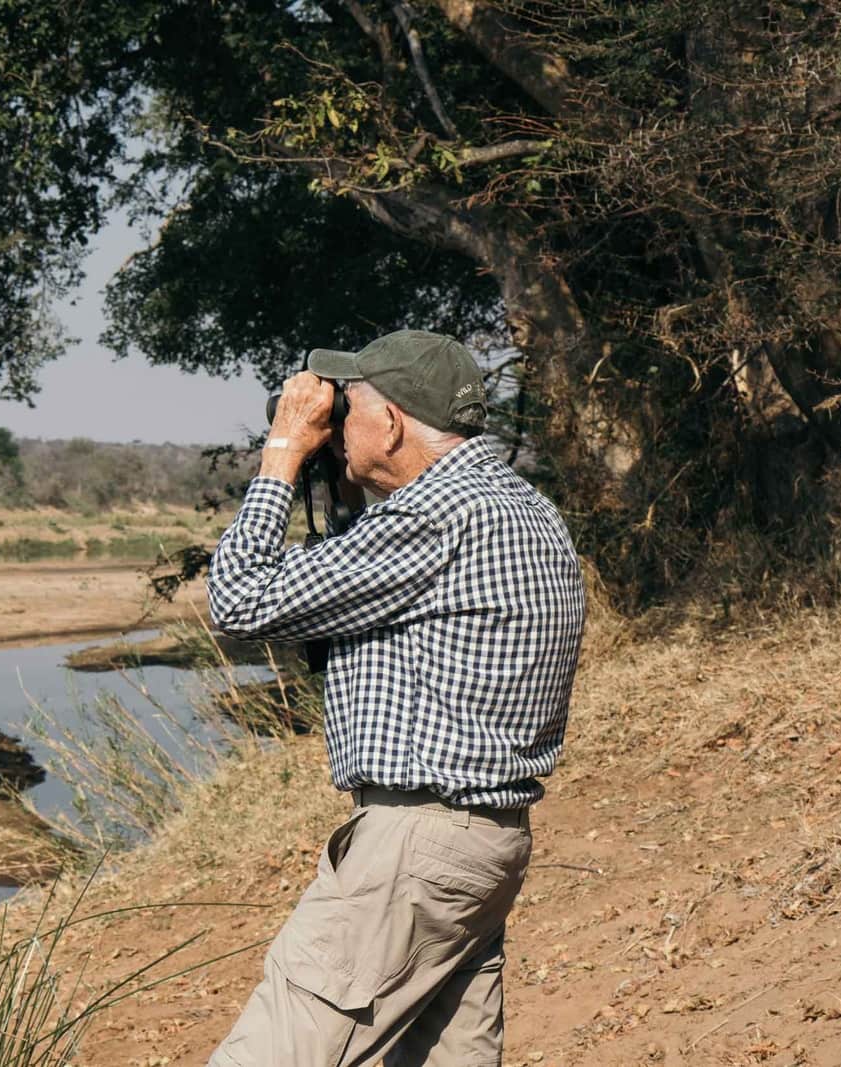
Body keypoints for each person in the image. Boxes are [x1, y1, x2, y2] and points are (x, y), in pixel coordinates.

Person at [205, 329, 586, 1067]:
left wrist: (283, 455)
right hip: (485, 844)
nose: (334, 424)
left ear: (392, 421)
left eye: (347, 408)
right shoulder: (522, 506)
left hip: (416, 846)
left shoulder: (433, 515)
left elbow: (240, 601)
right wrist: (345, 482)